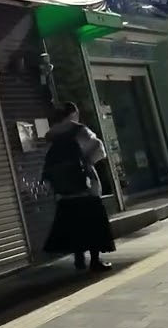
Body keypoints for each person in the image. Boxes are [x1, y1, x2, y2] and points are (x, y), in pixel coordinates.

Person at [41, 102, 116, 271]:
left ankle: (79, 259)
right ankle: (95, 261)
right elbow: (98, 148)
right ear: (74, 113)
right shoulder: (80, 130)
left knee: (73, 226)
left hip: (65, 192)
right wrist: (88, 162)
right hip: (84, 187)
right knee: (93, 223)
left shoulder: (53, 135)